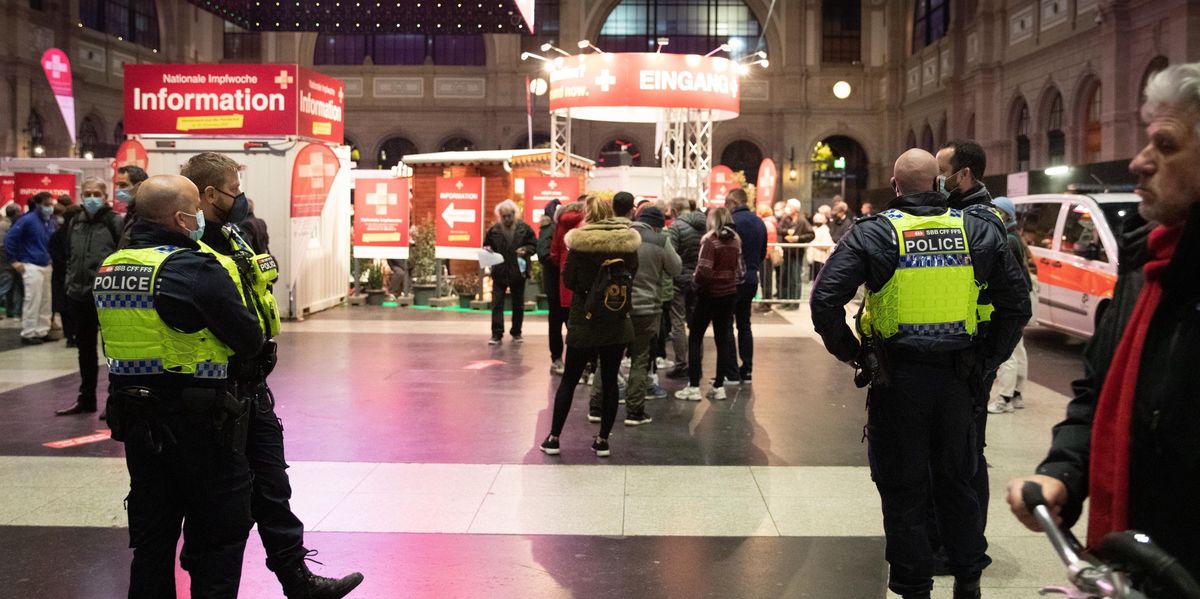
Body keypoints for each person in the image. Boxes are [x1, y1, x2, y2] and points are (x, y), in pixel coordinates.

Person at [1007, 61, 1200, 581]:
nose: (1138, 162)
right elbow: (1097, 394)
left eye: (1165, 145)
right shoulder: (1145, 275)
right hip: (1135, 565)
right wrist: (1063, 474)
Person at [810, 149, 1031, 599]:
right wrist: (988, 359)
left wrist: (853, 354)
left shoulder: (874, 234)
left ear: (895, 188)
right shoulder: (977, 230)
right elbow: (1017, 305)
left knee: (903, 487)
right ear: (939, 185)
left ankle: (914, 587)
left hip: (898, 381)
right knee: (958, 482)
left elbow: (824, 301)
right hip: (959, 380)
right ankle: (968, 580)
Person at [181, 152, 363, 599]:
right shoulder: (187, 249)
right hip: (213, 391)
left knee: (273, 487)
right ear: (208, 194)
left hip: (253, 383)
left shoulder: (235, 236)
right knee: (222, 511)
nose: (240, 199)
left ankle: (296, 579)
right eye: (233, 191)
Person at [98, 174, 264, 598]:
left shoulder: (112, 266)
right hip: (200, 423)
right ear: (180, 217)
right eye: (194, 212)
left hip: (137, 422)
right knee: (218, 538)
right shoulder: (193, 268)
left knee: (152, 541)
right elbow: (248, 337)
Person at [539, 194, 641, 457]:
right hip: (616, 318)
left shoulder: (580, 243)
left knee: (570, 380)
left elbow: (569, 280)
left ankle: (554, 437)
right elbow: (633, 274)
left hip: (584, 319)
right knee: (608, 380)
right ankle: (603, 441)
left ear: (587, 215)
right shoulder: (627, 243)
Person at [589, 205, 679, 426]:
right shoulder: (659, 240)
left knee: (608, 358)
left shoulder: (620, 235)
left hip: (616, 306)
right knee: (640, 359)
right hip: (647, 309)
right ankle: (634, 412)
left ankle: (596, 408)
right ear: (657, 226)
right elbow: (676, 268)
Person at [55, 178, 122, 417]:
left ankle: (113, 400)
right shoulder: (75, 222)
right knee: (84, 349)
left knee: (110, 350)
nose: (92, 197)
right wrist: (69, 284)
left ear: (105, 196)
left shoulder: (115, 222)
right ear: (81, 196)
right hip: (78, 294)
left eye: (96, 193)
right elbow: (68, 255)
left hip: (104, 296)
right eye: (87, 193)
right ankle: (86, 398)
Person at [675, 207, 744, 401]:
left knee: (695, 338)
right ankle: (718, 386)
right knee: (722, 340)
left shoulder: (710, 240)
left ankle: (694, 386)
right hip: (728, 295)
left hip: (708, 296)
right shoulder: (736, 240)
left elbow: (704, 269)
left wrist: (695, 285)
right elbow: (739, 271)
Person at [987, 196, 1037, 414]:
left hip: (1012, 302)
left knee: (1008, 350)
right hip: (1022, 299)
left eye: (998, 210)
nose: (994, 214)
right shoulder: (1015, 237)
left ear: (1007, 214)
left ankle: (1004, 399)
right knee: (1019, 349)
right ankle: (1016, 394)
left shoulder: (1007, 239)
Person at [4, 191, 57, 344]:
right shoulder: (27, 220)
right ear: (38, 204)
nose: (50, 207)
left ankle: (42, 329)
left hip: (47, 264)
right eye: (47, 205)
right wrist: (14, 261)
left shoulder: (50, 221)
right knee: (33, 300)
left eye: (51, 204)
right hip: (31, 264)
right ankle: (28, 332)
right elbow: (10, 239)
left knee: (46, 300)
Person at [483, 199, 537, 345]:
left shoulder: (525, 229)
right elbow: (486, 246)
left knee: (518, 304)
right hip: (499, 271)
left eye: (509, 216)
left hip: (518, 272)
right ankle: (496, 334)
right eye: (504, 216)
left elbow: (534, 245)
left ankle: (517, 332)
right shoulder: (494, 231)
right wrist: (488, 252)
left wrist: (526, 250)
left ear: (515, 214)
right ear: (499, 216)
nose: (507, 219)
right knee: (497, 304)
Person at [727, 188, 767, 382]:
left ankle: (731, 371)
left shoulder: (732, 222)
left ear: (734, 202)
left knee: (727, 324)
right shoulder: (759, 222)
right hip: (751, 278)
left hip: (733, 280)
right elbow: (762, 253)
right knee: (745, 324)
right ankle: (748, 369)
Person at [664, 197, 705, 379]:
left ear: (675, 210)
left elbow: (670, 254)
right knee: (696, 324)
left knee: (678, 323)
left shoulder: (676, 227)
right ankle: (696, 363)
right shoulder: (705, 224)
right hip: (698, 279)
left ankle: (681, 363)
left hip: (679, 280)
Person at [537, 199, 564, 374]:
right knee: (556, 324)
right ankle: (556, 359)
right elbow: (544, 254)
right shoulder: (549, 230)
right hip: (556, 285)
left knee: (560, 324)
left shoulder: (554, 229)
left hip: (560, 284)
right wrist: (561, 262)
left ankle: (558, 359)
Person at [49, 194, 79, 345]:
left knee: (64, 307)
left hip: (60, 276)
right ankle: (76, 335)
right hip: (75, 277)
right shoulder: (78, 235)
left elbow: (55, 256)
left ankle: (70, 337)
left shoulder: (56, 235)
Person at [778, 199, 813, 302]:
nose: (787, 208)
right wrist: (787, 231)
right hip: (787, 252)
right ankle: (785, 300)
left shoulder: (802, 220)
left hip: (797, 253)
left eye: (789, 206)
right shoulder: (785, 218)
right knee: (785, 277)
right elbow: (779, 229)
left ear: (795, 209)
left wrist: (798, 238)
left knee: (795, 278)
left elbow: (811, 234)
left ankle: (795, 301)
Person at [115, 164, 149, 245]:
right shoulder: (131, 212)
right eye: (118, 185)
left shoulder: (146, 214)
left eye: (123, 185)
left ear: (139, 186)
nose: (118, 189)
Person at [0, 203, 20, 318]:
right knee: (5, 283)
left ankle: (10, 310)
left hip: (4, 256)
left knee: (10, 285)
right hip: (6, 257)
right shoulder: (8, 226)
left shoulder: (3, 224)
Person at [807, 212, 834, 281]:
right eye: (815, 219)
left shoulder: (825, 230)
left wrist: (813, 243)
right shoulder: (813, 229)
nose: (816, 221)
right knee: (814, 280)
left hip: (820, 259)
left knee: (819, 280)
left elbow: (826, 245)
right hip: (813, 258)